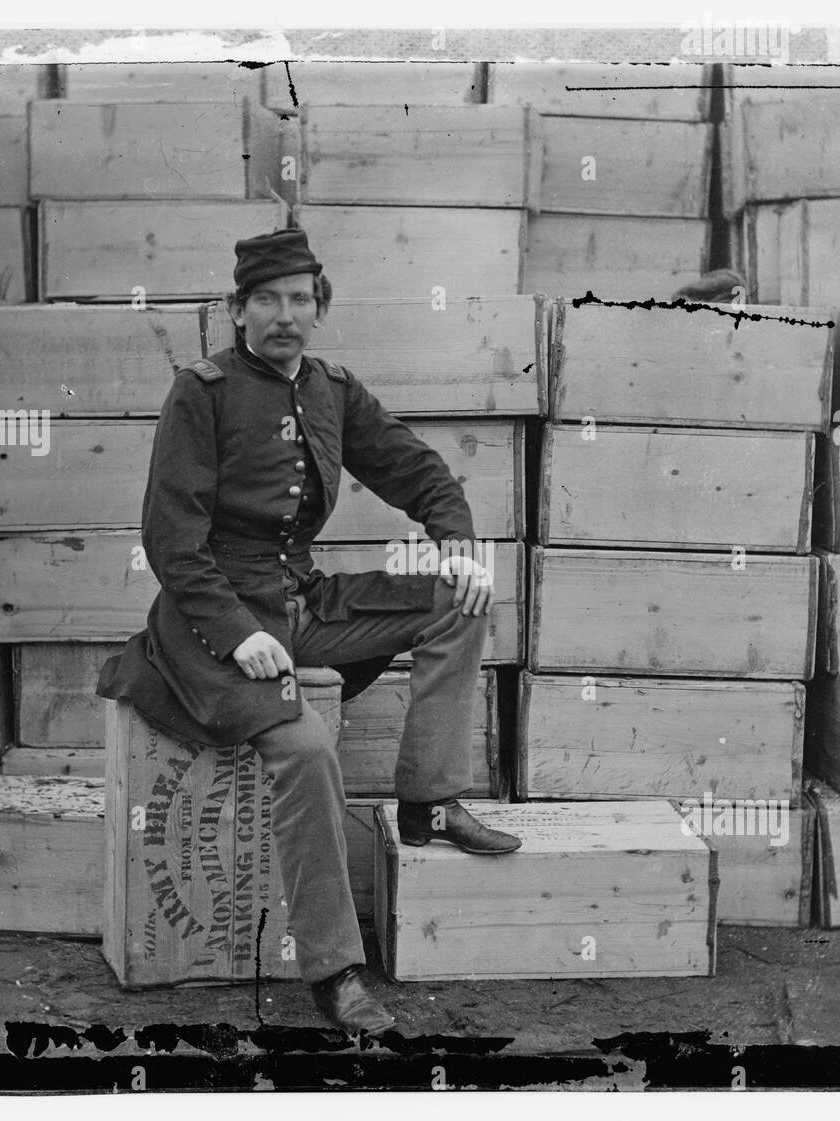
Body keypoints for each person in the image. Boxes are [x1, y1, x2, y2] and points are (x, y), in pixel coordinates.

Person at [96, 226, 521, 1035]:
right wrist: (234, 631)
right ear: (237, 309)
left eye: (300, 299)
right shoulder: (204, 392)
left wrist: (458, 544)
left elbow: (414, 468)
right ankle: (334, 971)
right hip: (210, 621)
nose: (284, 316)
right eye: (267, 301)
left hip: (301, 604)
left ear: (318, 307)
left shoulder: (330, 388)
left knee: (458, 602)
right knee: (305, 748)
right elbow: (171, 542)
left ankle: (430, 801)